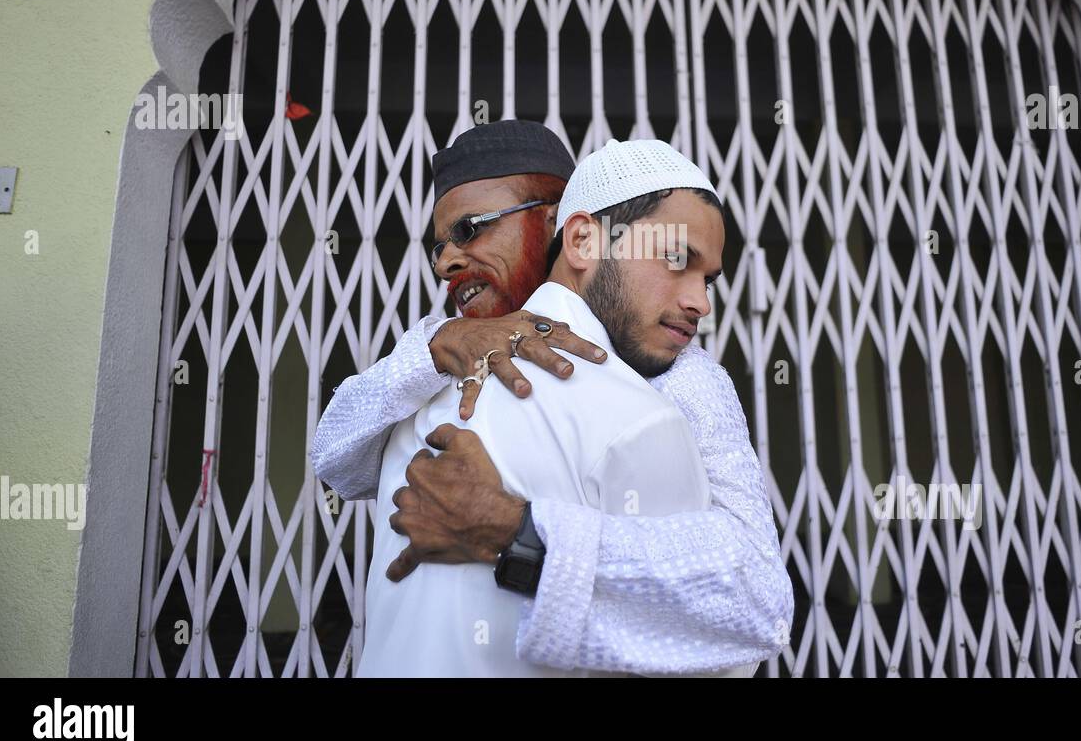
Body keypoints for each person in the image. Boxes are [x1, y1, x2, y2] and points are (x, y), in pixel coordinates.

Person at [312, 121, 793, 675]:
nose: (446, 261)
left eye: (471, 229)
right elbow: (335, 462)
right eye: (439, 245)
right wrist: (438, 345)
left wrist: (515, 532)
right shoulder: (439, 361)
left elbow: (753, 599)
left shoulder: (679, 378)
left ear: (561, 226)